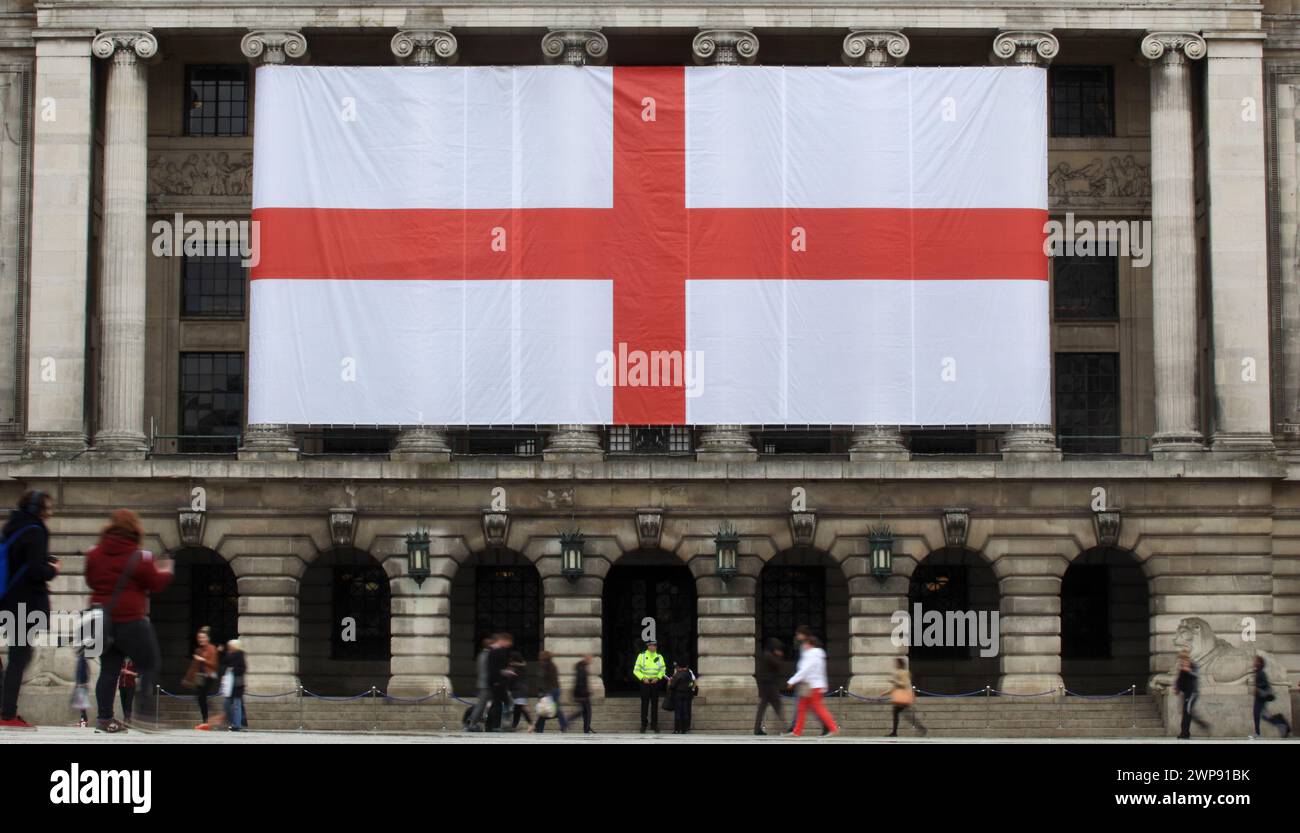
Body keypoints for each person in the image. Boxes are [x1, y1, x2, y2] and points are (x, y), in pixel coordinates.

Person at [84, 509, 173, 733]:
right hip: (131, 620)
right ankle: (142, 713)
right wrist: (166, 571)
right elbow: (155, 583)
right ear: (134, 529)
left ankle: (105, 719)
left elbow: (91, 580)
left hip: (102, 620)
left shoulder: (94, 554)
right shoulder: (141, 556)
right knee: (149, 663)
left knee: (108, 670)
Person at [0, 490, 59, 729]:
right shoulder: (36, 530)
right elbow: (36, 571)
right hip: (24, 604)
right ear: (38, 509)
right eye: (47, 508)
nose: (51, 512)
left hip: (9, 601)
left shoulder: (13, 528)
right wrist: (53, 569)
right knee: (19, 658)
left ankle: (7, 711)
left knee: (18, 656)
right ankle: (7, 715)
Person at [786, 634, 839, 737]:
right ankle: (797, 731)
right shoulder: (818, 654)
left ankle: (833, 728)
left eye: (805, 643)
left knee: (817, 707)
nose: (804, 645)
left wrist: (792, 680)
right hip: (814, 685)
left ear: (810, 644)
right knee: (803, 708)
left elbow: (805, 669)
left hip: (812, 685)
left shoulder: (811, 654)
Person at [187, 626, 220, 730]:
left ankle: (208, 720)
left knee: (202, 697)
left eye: (203, 637)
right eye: (199, 638)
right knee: (200, 698)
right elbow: (194, 666)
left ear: (208, 638)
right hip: (200, 677)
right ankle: (206, 720)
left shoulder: (212, 648)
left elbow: (214, 665)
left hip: (209, 676)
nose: (201, 639)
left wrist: (202, 659)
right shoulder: (198, 650)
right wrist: (188, 678)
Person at [1174, 647, 1211, 740]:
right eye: (1181, 659)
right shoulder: (1182, 667)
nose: (1182, 661)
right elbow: (1180, 679)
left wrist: (1188, 671)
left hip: (1192, 693)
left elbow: (1196, 675)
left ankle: (1201, 725)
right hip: (1186, 693)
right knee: (1186, 712)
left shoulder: (1192, 665)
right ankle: (1184, 733)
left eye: (1183, 658)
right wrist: (1177, 688)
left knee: (1188, 712)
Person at [1251, 656, 1291, 739]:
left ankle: (1258, 733)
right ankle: (1281, 723)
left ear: (1260, 663)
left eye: (1256, 661)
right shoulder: (1258, 672)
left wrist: (1257, 687)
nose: (1254, 662)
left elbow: (1265, 683)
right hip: (1260, 696)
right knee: (1262, 715)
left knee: (1258, 714)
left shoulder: (1261, 672)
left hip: (1261, 697)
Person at [886, 657, 926, 737]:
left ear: (899, 664)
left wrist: (894, 681)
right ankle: (920, 728)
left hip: (903, 696)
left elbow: (904, 684)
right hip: (902, 696)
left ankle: (894, 732)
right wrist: (886, 693)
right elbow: (896, 687)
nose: (895, 664)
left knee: (898, 713)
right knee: (905, 715)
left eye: (896, 663)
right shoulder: (900, 672)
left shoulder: (903, 672)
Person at [633, 639, 667, 733]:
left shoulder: (659, 657)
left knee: (655, 705)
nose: (652, 647)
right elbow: (636, 670)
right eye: (650, 645)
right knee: (644, 705)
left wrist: (658, 677)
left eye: (654, 645)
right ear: (647, 646)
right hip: (645, 683)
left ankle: (654, 725)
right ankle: (643, 725)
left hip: (655, 683)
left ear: (656, 646)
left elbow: (663, 670)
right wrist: (643, 678)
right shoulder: (642, 656)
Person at [754, 638, 786, 735]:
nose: (779, 650)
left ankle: (757, 729)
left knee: (763, 707)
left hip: (766, 685)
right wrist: (779, 656)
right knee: (777, 706)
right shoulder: (769, 656)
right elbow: (779, 666)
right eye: (777, 648)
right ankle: (785, 728)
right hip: (770, 686)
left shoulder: (766, 655)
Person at [485, 633, 515, 732]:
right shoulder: (494, 651)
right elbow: (494, 668)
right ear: (503, 640)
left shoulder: (498, 651)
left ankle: (490, 725)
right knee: (500, 703)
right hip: (497, 682)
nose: (509, 644)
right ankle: (496, 726)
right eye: (508, 642)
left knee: (498, 703)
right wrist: (503, 674)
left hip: (498, 681)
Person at [532, 650, 568, 733]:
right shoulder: (549, 665)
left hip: (551, 691)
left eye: (541, 657)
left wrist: (545, 693)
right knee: (546, 709)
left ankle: (563, 725)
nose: (539, 659)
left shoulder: (547, 666)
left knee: (551, 709)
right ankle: (539, 729)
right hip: (553, 690)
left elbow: (547, 681)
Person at [464, 636, 494, 732]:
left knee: (483, 704)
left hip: (481, 682)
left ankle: (475, 720)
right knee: (482, 704)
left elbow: (477, 670)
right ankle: (472, 721)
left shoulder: (481, 655)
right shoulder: (489, 655)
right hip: (487, 683)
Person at [223, 639, 248, 731]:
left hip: (237, 683)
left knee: (237, 705)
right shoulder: (229, 654)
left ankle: (236, 725)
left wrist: (233, 669)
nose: (229, 647)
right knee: (227, 704)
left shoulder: (240, 654)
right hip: (229, 683)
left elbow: (243, 668)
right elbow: (224, 664)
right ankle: (235, 723)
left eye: (231, 645)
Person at [567, 655, 595, 734]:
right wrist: (586, 692)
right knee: (588, 711)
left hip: (582, 693)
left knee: (584, 711)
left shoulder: (581, 667)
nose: (591, 661)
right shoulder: (582, 669)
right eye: (590, 659)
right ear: (587, 659)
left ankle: (586, 728)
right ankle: (585, 728)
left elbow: (579, 682)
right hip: (583, 694)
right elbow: (580, 683)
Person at [666, 661, 694, 734]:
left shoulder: (678, 675)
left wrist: (669, 683)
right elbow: (691, 683)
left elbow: (672, 686)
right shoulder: (689, 674)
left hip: (678, 694)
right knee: (685, 711)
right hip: (686, 694)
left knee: (678, 712)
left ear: (679, 667)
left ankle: (677, 729)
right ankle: (684, 729)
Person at [508, 651, 533, 730]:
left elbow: (512, 679)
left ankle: (530, 724)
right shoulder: (522, 666)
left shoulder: (515, 668)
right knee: (518, 708)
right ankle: (514, 726)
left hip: (518, 690)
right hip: (520, 690)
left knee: (520, 708)